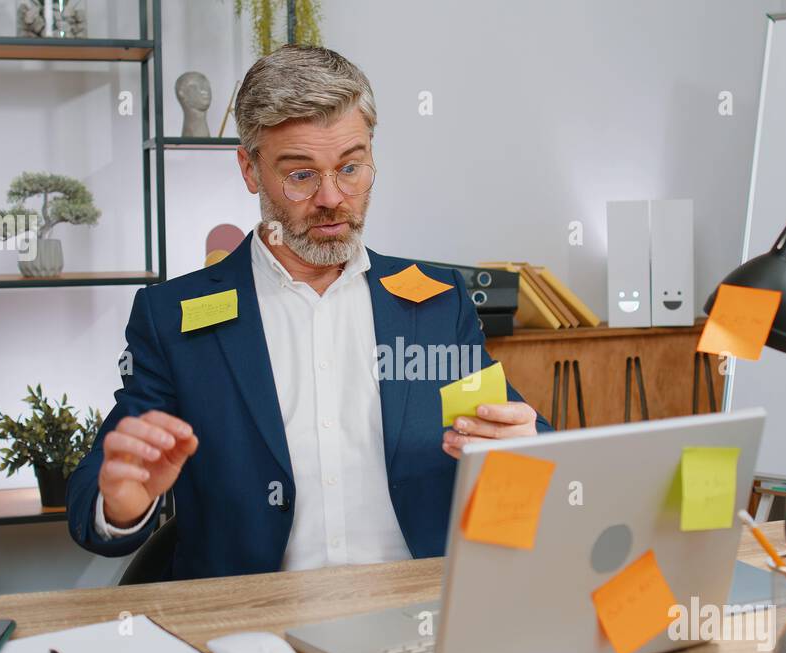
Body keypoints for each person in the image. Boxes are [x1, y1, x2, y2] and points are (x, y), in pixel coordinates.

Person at [66, 45, 549, 580]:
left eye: (350, 167)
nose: (331, 197)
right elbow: (98, 499)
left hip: (417, 613)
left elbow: (518, 456)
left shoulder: (436, 301)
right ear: (250, 170)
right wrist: (122, 504)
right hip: (251, 628)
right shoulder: (173, 317)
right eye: (300, 175)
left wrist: (522, 454)